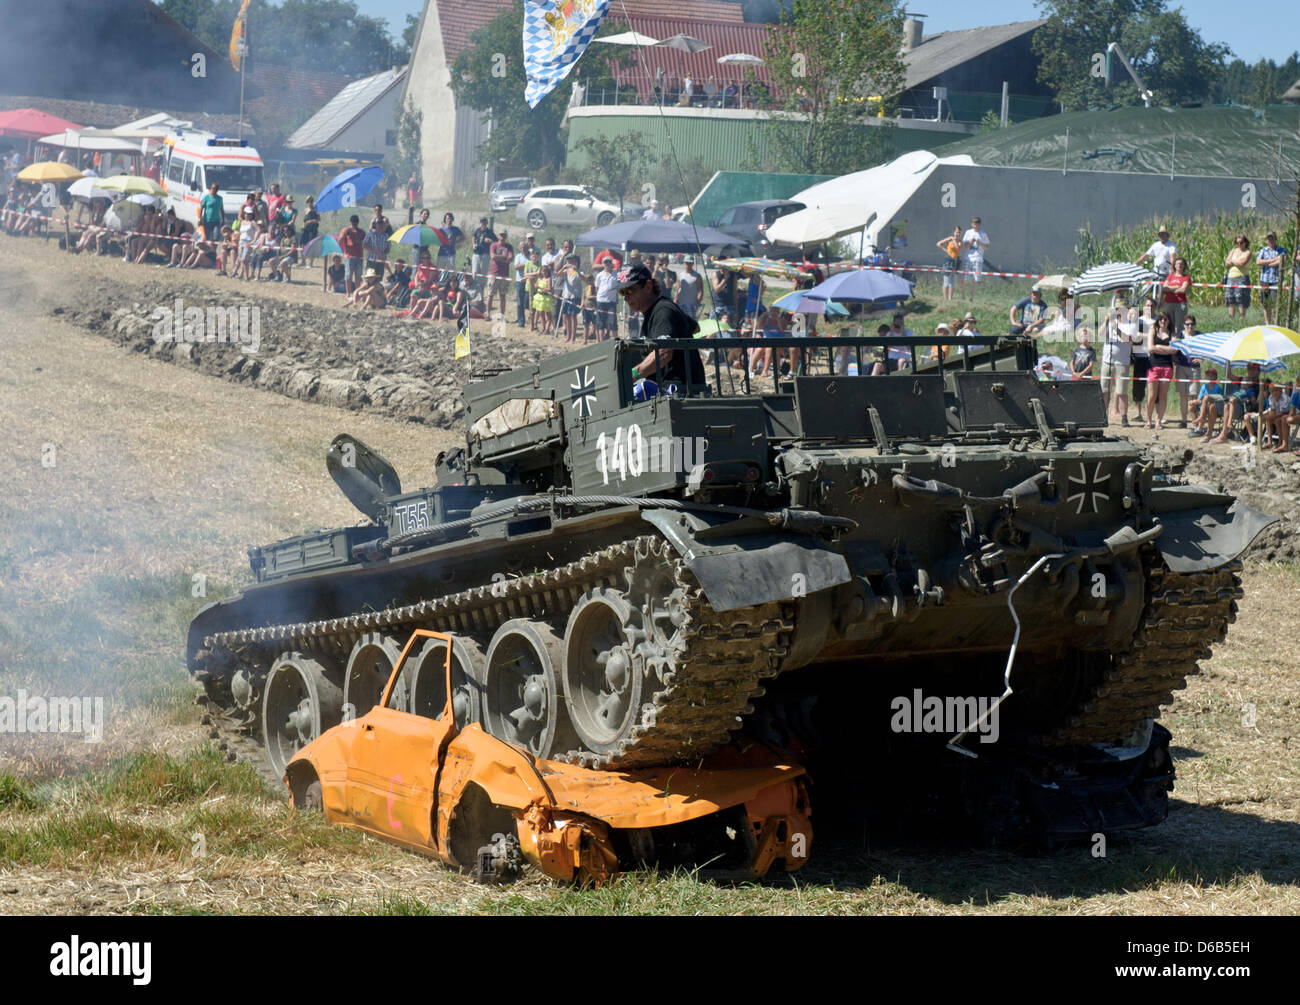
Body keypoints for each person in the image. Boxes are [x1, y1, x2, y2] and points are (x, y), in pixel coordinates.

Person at [617, 263, 706, 399]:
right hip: (670, 389)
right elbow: (695, 327)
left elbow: (663, 353)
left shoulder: (663, 311)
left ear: (647, 286)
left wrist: (632, 375)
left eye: (629, 291)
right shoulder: (660, 309)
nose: (626, 297)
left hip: (679, 391)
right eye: (622, 292)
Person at [1208, 362, 1262, 444]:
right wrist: (1228, 362)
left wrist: (1251, 399)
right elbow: (1229, 375)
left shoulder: (1262, 382)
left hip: (1245, 408)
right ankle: (1209, 434)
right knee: (1213, 406)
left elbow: (1257, 401)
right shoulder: (1243, 379)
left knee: (1228, 404)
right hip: (1233, 404)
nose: (1251, 371)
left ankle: (1223, 435)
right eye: (1249, 369)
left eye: (1254, 370)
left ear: (1258, 371)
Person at [1099, 305, 1133, 426]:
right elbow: (1100, 334)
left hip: (1122, 363)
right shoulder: (1110, 322)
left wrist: (1116, 329)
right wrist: (1106, 321)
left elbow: (1127, 339)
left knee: (1122, 391)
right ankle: (1103, 415)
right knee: (1104, 390)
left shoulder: (1130, 324)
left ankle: (1124, 417)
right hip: (1107, 361)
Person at [1171, 314, 1203, 428]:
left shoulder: (1199, 336)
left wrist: (1201, 358)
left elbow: (1206, 349)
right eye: (1187, 324)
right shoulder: (1180, 335)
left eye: (1192, 324)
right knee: (1183, 395)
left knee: (1193, 396)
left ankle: (1195, 421)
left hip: (1195, 368)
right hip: (1181, 367)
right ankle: (1184, 420)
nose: (1190, 326)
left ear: (1195, 325)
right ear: (1184, 325)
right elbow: (1173, 348)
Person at [1136, 226, 1176, 307]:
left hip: (1165, 273)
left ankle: (1159, 308)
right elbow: (1145, 255)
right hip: (1155, 272)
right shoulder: (1155, 245)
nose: (1162, 236)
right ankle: (1145, 304)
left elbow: (1172, 257)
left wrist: (1172, 269)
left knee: (1161, 293)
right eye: (1161, 234)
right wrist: (1135, 264)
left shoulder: (1171, 245)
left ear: (1167, 235)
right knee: (1147, 289)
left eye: (1164, 234)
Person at [1256, 231, 1288, 325]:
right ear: (1266, 240)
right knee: (1266, 304)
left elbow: (1283, 260)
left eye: (1272, 238)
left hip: (1276, 280)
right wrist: (1273, 260)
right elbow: (1258, 262)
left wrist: (1266, 263)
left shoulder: (1281, 250)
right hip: (1264, 280)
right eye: (1269, 238)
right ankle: (1268, 324)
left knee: (1275, 304)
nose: (1270, 240)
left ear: (1276, 239)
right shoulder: (1263, 250)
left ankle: (1275, 323)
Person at [1189, 367, 1226, 439]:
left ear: (1215, 377)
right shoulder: (1204, 386)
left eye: (1211, 375)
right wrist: (1193, 402)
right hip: (1203, 404)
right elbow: (1199, 399)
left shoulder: (1217, 388)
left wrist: (1203, 402)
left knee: (1207, 406)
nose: (1209, 377)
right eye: (1208, 375)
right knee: (1191, 406)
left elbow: (1219, 401)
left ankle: (1200, 428)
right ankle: (1197, 427)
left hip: (1213, 407)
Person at [488, 228, 515, 321]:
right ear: (498, 235)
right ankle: (487, 313)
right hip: (494, 272)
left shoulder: (509, 246)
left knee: (502, 295)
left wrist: (499, 258)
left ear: (506, 236)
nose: (502, 236)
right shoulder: (493, 245)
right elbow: (493, 257)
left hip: (504, 274)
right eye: (501, 234)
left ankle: (502, 315)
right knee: (490, 294)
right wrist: (504, 257)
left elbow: (511, 258)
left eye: (504, 235)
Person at [1223, 235, 1252, 319]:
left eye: (1241, 242)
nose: (1239, 244)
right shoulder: (1233, 251)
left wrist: (1232, 261)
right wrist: (1236, 262)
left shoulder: (1248, 252)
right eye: (1237, 242)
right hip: (1231, 277)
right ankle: (1231, 319)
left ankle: (1242, 319)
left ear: (1245, 242)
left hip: (1242, 277)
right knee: (1230, 298)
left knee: (1241, 298)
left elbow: (1243, 263)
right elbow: (1226, 263)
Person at [960, 216, 988, 301]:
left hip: (978, 258)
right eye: (974, 223)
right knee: (964, 278)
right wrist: (970, 242)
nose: (975, 225)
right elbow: (965, 246)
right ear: (972, 224)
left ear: (979, 224)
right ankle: (963, 297)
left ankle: (972, 298)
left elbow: (986, 247)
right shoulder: (968, 232)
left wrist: (980, 243)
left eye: (977, 224)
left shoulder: (983, 234)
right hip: (968, 258)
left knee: (976, 279)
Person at [557, 254, 583, 343]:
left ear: (575, 261)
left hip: (575, 296)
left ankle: (573, 337)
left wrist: (577, 271)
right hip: (566, 296)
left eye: (571, 260)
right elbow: (558, 274)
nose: (569, 262)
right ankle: (568, 336)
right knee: (567, 317)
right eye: (568, 260)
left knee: (573, 316)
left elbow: (583, 278)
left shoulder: (579, 270)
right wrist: (564, 267)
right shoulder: (567, 270)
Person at [1242, 379, 1277, 446]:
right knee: (1246, 416)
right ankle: (1252, 437)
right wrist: (1261, 392)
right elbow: (1257, 403)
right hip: (1260, 413)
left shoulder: (1272, 398)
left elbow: (1270, 410)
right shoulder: (1265, 399)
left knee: (1264, 418)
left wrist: (1260, 413)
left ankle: (1264, 439)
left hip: (1267, 414)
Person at [1161, 257, 1191, 331]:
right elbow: (1164, 288)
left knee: (1179, 325)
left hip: (1180, 304)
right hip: (1168, 303)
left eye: (1181, 264)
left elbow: (1183, 289)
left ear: (1184, 266)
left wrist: (1170, 289)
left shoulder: (1186, 277)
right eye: (1177, 264)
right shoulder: (1170, 276)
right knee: (1169, 324)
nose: (1179, 265)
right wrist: (1176, 287)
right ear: (1174, 265)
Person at [338, 214, 365, 294]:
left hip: (359, 257)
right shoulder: (346, 230)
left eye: (356, 222)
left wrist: (360, 242)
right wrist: (345, 234)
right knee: (348, 276)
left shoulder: (361, 232)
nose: (354, 224)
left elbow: (365, 243)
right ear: (350, 222)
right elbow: (339, 241)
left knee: (358, 277)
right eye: (353, 222)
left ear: (358, 222)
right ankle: (348, 293)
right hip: (349, 257)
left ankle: (356, 293)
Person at [595, 257, 619, 338]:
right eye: (605, 262)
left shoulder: (616, 274)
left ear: (611, 263)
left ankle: (617, 342)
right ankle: (601, 343)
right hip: (601, 301)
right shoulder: (599, 275)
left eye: (609, 262)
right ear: (603, 264)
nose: (607, 264)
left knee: (613, 322)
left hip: (611, 301)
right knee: (600, 322)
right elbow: (597, 287)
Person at [471, 217, 496, 295]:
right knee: (475, 272)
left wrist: (490, 241)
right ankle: (475, 290)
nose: (483, 224)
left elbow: (496, 241)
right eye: (482, 222)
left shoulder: (489, 232)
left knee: (483, 273)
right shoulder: (478, 230)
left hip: (485, 254)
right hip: (476, 254)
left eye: (484, 223)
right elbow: (473, 237)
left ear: (487, 223)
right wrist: (473, 244)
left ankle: (481, 292)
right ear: (480, 223)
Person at [936, 226, 961, 301]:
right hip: (948, 261)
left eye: (959, 232)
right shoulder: (949, 239)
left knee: (952, 281)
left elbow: (957, 248)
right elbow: (939, 244)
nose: (957, 234)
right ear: (954, 232)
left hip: (956, 261)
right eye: (956, 232)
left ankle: (950, 298)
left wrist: (954, 240)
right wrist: (945, 250)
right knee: (946, 280)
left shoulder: (959, 242)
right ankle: (945, 298)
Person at [298, 195, 319, 263]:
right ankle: (303, 260)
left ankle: (311, 262)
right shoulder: (306, 210)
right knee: (302, 244)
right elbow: (304, 220)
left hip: (313, 229)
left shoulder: (315, 210)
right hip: (306, 229)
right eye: (308, 201)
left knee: (312, 244)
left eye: (311, 201)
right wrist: (303, 226)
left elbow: (318, 219)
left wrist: (311, 221)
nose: (310, 203)